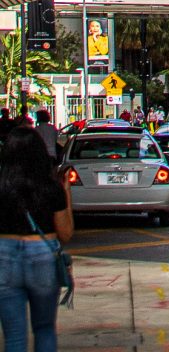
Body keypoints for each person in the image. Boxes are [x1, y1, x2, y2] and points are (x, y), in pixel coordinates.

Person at [0, 123, 73, 352]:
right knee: (44, 329)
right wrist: (67, 192)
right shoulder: (51, 188)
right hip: (42, 254)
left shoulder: (2, 187)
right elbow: (65, 234)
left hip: (5, 253)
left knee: (13, 336)